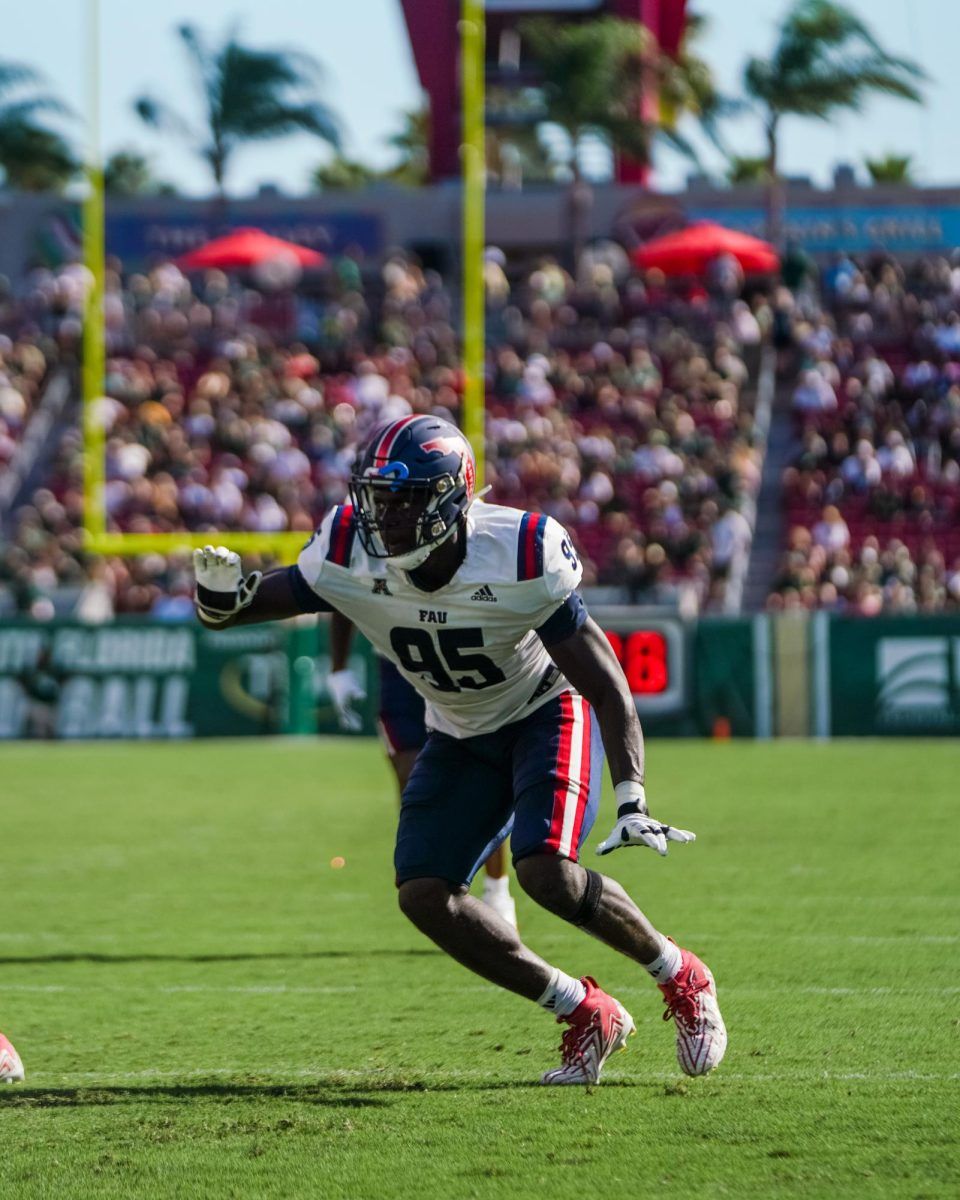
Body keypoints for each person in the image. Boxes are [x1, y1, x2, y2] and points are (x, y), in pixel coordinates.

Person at [193, 415, 726, 1085]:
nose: (383, 516)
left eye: (405, 498)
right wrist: (215, 599)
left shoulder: (519, 551)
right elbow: (245, 605)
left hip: (541, 714)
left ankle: (678, 973)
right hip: (456, 730)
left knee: (545, 874)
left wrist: (631, 795)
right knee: (423, 893)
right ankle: (583, 1008)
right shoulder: (348, 549)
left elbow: (607, 685)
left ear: (449, 497)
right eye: (377, 497)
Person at [326, 618, 518, 928]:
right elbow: (340, 581)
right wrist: (339, 666)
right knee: (411, 774)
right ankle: (437, 880)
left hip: (459, 656)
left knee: (481, 781)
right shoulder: (372, 566)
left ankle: (497, 890)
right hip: (399, 663)